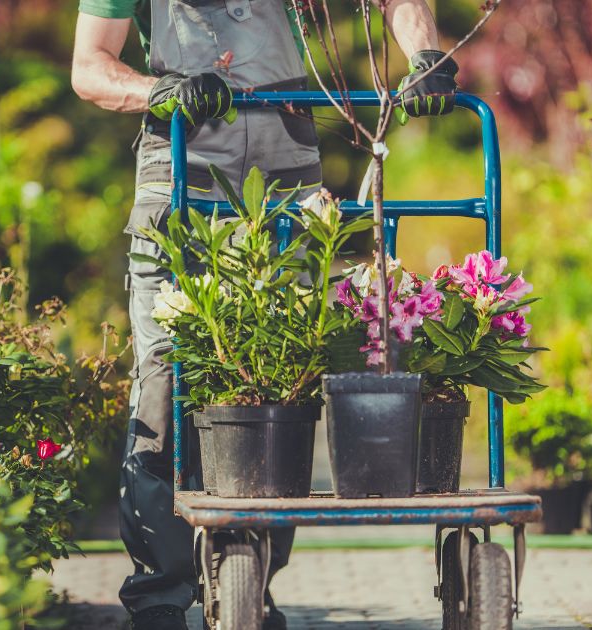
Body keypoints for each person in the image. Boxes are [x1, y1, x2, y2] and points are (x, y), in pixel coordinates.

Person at [70, 1, 458, 628]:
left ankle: (253, 571)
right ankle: (161, 597)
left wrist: (422, 56)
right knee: (167, 382)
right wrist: (159, 90)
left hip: (287, 166)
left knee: (282, 379)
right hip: (181, 166)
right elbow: (89, 67)